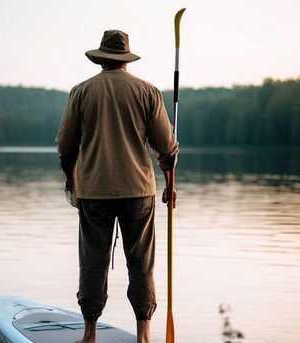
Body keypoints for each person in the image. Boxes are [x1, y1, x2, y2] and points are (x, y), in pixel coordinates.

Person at [56, 29, 179, 343]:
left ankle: (89, 335)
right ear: (126, 59)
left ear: (101, 59)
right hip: (138, 190)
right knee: (141, 263)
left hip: (94, 191)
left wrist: (71, 181)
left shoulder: (81, 92)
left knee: (93, 262)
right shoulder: (148, 92)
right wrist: (169, 184)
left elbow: (65, 146)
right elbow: (167, 148)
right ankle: (143, 336)